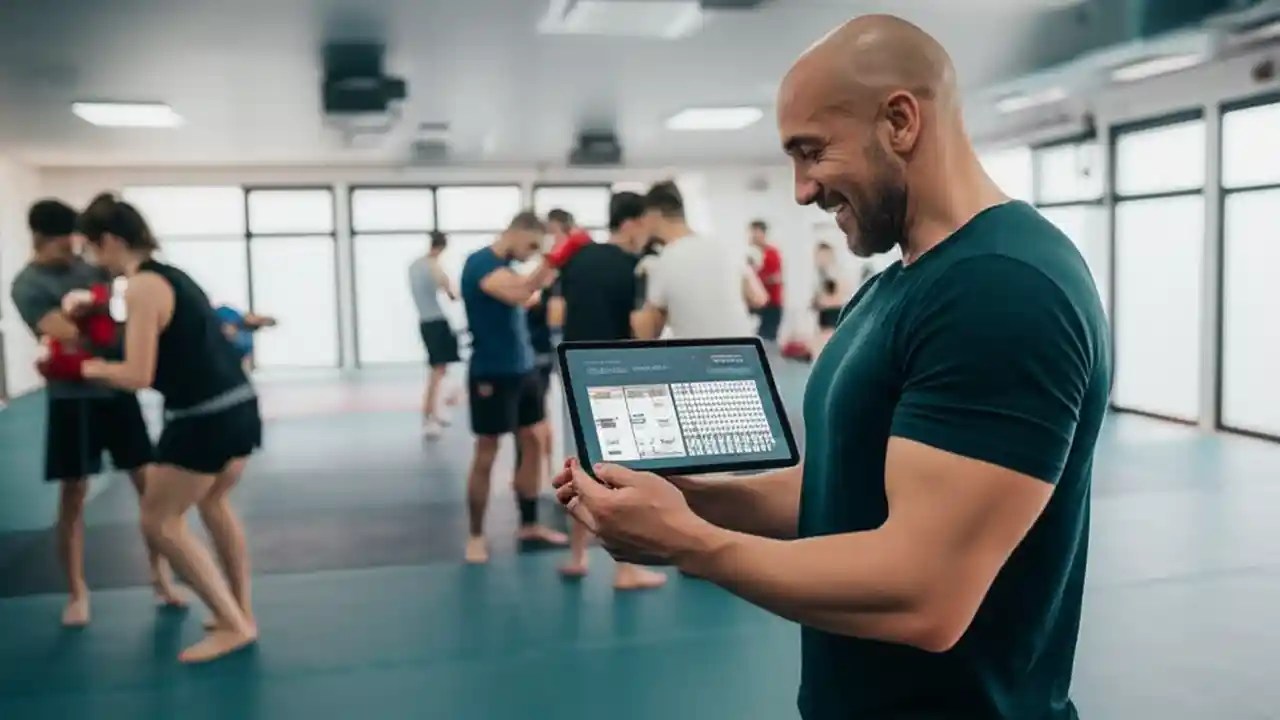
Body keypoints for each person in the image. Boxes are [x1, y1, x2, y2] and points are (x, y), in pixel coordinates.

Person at [555, 15, 1109, 720]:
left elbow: (925, 592)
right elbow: (840, 491)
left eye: (811, 152)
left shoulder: (1002, 287)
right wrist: (684, 499)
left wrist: (691, 545)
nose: (800, 191)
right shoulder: (894, 285)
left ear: (900, 121)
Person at [75, 193, 262, 664]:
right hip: (239, 402)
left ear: (113, 240)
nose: (97, 261)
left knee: (159, 521)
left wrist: (88, 368)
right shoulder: (175, 275)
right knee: (214, 501)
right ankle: (238, 611)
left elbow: (137, 374)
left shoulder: (140, 287)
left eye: (96, 249)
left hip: (203, 417)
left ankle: (235, 625)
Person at [9, 199, 181, 627]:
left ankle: (161, 578)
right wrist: (100, 322)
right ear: (40, 240)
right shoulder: (27, 285)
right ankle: (77, 592)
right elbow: (69, 336)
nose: (73, 250)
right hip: (71, 401)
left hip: (116, 391)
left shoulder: (91, 268)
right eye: (64, 243)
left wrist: (109, 322)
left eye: (78, 241)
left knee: (150, 487)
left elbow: (115, 328)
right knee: (73, 497)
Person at [458, 210, 590, 564]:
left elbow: (528, 294)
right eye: (532, 244)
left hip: (524, 369)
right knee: (487, 451)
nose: (532, 252)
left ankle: (529, 524)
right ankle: (475, 535)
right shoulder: (479, 263)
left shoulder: (508, 268)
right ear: (515, 232)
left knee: (533, 440)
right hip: (491, 373)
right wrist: (553, 258)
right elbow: (519, 293)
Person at [551, 192, 667, 591]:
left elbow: (557, 313)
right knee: (618, 473)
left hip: (573, 369)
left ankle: (578, 557)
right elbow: (641, 329)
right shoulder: (636, 268)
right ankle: (625, 568)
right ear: (633, 222)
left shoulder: (578, 257)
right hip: (617, 375)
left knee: (577, 467)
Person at [632, 181, 768, 340]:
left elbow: (648, 334)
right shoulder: (723, 246)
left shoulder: (665, 260)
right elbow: (758, 298)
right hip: (744, 354)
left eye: (643, 217)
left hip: (702, 359)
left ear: (654, 215)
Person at [409, 231, 461, 438]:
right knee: (437, 372)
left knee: (442, 370)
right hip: (436, 322)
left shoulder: (414, 265)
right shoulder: (433, 265)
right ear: (442, 247)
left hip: (425, 321)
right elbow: (452, 293)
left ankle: (438, 412)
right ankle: (430, 418)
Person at [213, 304, 277, 375]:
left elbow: (240, 362)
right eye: (257, 318)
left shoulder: (247, 343)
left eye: (260, 322)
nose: (255, 320)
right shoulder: (228, 312)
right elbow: (209, 315)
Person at [748, 220, 785, 342]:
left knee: (768, 340)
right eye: (751, 232)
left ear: (763, 233)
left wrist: (756, 280)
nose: (753, 235)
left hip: (772, 304)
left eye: (756, 232)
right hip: (756, 305)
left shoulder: (771, 253)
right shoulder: (751, 254)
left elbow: (776, 277)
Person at [810, 243, 846, 356]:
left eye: (823, 256)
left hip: (834, 318)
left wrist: (823, 302)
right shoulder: (819, 276)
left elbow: (838, 299)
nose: (820, 260)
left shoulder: (836, 275)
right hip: (823, 320)